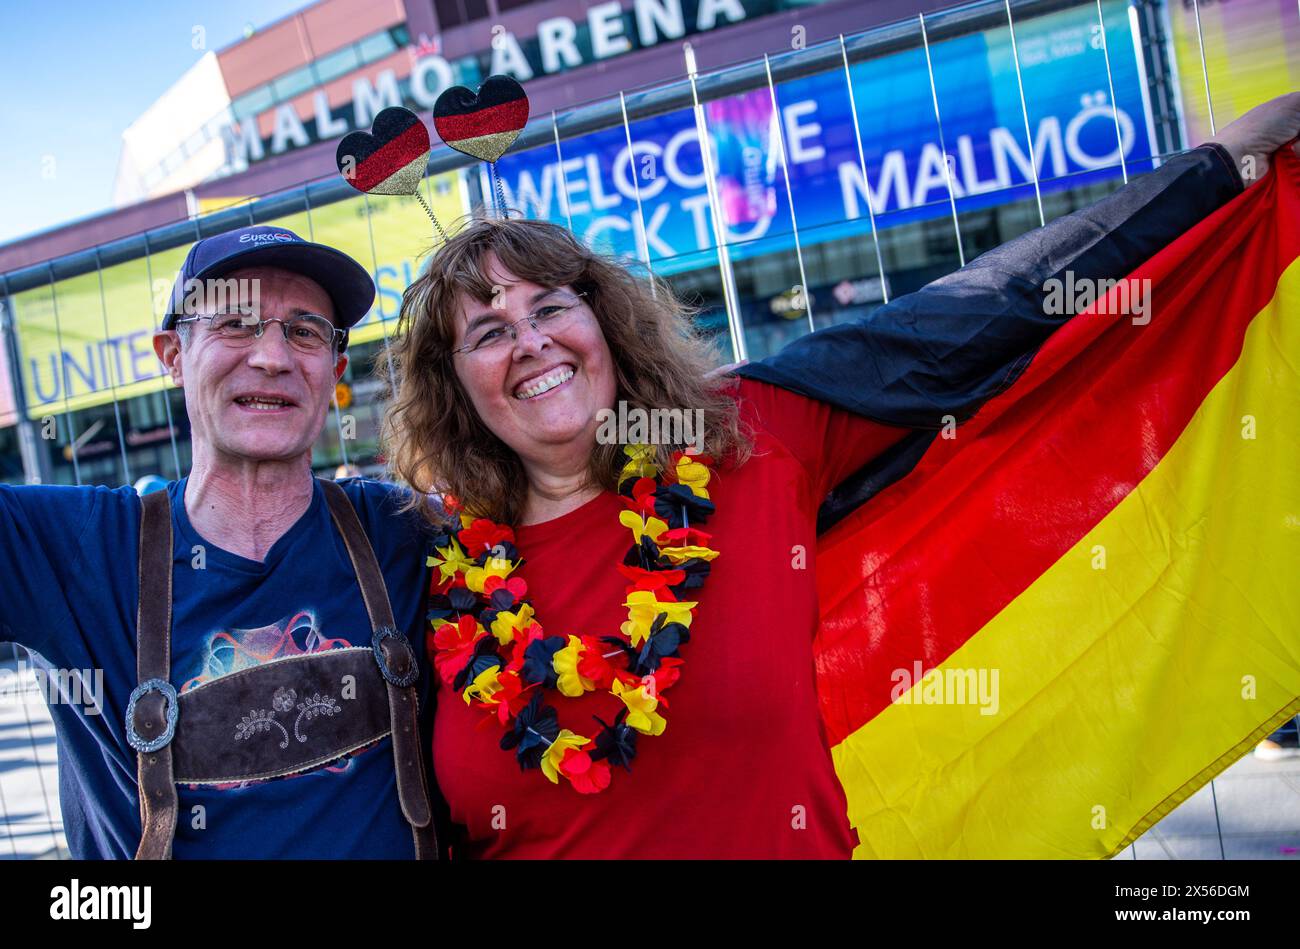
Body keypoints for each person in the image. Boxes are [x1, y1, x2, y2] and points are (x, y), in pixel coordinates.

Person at [380, 94, 1300, 858]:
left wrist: (1227, 164)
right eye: (489, 332)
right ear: (453, 385)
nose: (532, 341)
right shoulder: (423, 560)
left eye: (551, 306)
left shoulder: (753, 437)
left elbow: (990, 308)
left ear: (605, 324)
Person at [0, 225, 442, 859]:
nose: (272, 356)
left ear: (334, 369)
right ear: (172, 355)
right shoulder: (68, 547)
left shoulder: (402, 532)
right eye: (235, 323)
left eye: (305, 331)